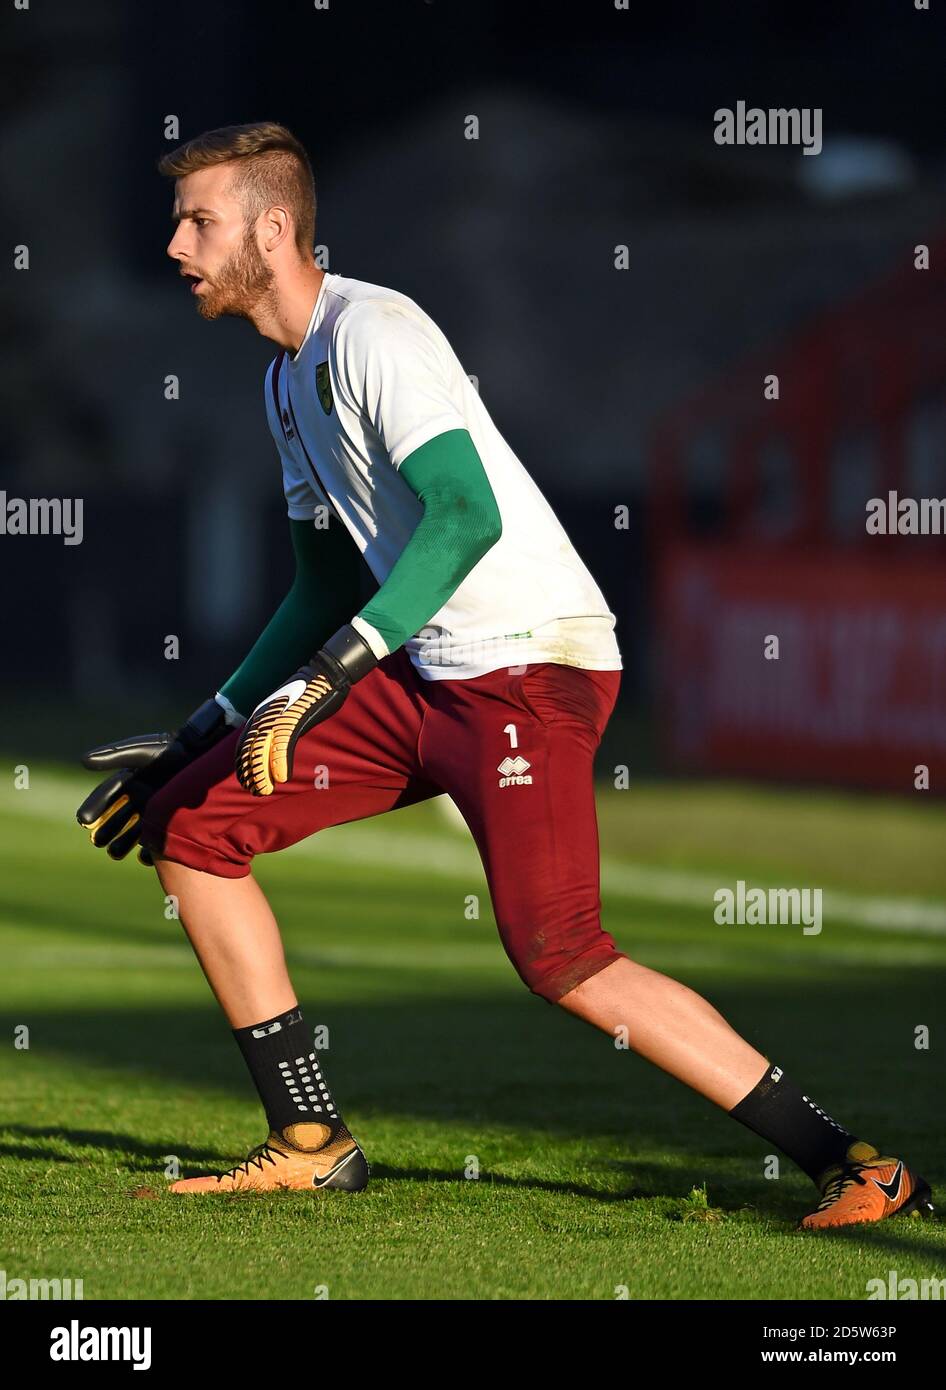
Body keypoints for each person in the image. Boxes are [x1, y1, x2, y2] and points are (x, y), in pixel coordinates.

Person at [78, 122, 931, 1229]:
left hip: (531, 668)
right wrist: (208, 727)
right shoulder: (288, 382)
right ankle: (310, 1139)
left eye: (199, 219)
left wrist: (332, 676)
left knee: (560, 955)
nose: (177, 244)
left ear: (273, 229)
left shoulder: (374, 330)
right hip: (425, 674)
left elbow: (466, 516)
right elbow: (318, 592)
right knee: (191, 831)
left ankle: (855, 1162)